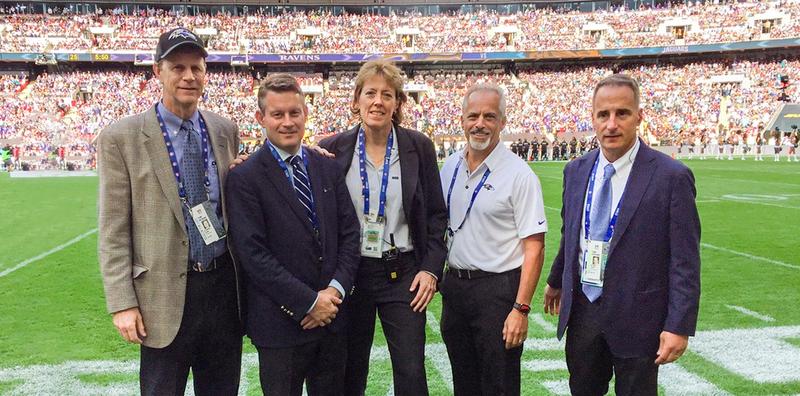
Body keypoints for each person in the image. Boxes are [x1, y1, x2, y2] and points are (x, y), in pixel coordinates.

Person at [97, 27, 243, 395]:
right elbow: (113, 230)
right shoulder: (122, 137)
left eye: (197, 67)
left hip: (222, 290)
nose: (189, 76)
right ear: (157, 72)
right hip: (161, 297)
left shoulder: (225, 129)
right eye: (178, 67)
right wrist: (122, 304)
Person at [543, 74, 701, 396]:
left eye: (622, 113)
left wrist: (678, 325)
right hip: (584, 312)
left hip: (639, 317)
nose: (611, 124)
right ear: (593, 119)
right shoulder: (575, 171)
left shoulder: (671, 176)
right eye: (603, 115)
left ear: (639, 117)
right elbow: (571, 231)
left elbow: (685, 260)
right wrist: (556, 279)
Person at [225, 73, 361, 396]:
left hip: (331, 320)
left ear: (305, 114)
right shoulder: (244, 178)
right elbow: (254, 255)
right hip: (280, 327)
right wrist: (309, 302)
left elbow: (350, 235)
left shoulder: (326, 165)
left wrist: (333, 293)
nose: (287, 122)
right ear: (261, 119)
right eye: (278, 114)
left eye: (294, 113)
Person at [318, 59, 447, 396]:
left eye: (387, 95)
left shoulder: (418, 146)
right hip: (351, 272)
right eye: (370, 93)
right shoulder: (332, 148)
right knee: (349, 368)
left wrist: (430, 269)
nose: (378, 101)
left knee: (410, 370)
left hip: (401, 272)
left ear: (397, 103)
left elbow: (436, 215)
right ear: (356, 100)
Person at [439, 83, 547, 395]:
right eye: (473, 116)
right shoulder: (449, 167)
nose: (480, 123)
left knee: (499, 384)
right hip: (456, 288)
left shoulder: (519, 175)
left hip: (498, 290)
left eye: (490, 116)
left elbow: (534, 247)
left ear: (502, 122)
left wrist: (521, 308)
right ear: (461, 120)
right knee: (464, 381)